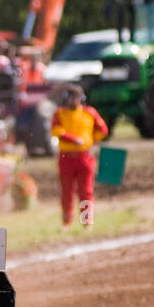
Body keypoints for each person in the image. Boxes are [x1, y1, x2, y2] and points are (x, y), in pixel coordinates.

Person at [50, 83, 109, 229]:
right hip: (66, 157)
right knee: (67, 190)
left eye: (74, 98)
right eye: (69, 98)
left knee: (86, 190)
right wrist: (74, 139)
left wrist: (90, 141)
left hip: (85, 157)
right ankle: (67, 222)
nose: (71, 101)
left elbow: (102, 130)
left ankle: (87, 221)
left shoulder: (89, 112)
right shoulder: (59, 113)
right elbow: (57, 131)